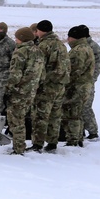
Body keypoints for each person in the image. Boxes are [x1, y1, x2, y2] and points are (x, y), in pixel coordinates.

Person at [30, 20, 71, 153]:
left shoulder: (44, 45)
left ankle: (37, 143)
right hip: (60, 86)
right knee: (55, 115)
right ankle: (52, 142)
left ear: (41, 31)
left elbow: (38, 67)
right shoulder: (61, 45)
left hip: (47, 86)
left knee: (40, 116)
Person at [3, 27, 45, 155]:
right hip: (31, 90)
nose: (15, 40)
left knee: (16, 120)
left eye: (17, 37)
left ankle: (19, 147)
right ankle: (21, 145)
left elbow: (15, 75)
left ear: (22, 38)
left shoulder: (20, 52)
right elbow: (42, 74)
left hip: (19, 91)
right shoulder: (38, 51)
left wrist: (7, 89)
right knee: (23, 117)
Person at [63, 25, 95, 147]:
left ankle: (73, 141)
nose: (68, 39)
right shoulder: (86, 48)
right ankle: (78, 138)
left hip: (76, 87)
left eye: (69, 37)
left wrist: (65, 83)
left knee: (72, 114)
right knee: (77, 113)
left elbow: (74, 71)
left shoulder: (78, 51)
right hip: (83, 86)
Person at [82, 26, 100, 140]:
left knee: (86, 107)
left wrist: (91, 80)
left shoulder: (93, 47)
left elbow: (97, 66)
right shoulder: (83, 46)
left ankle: (93, 132)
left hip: (87, 83)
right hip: (83, 83)